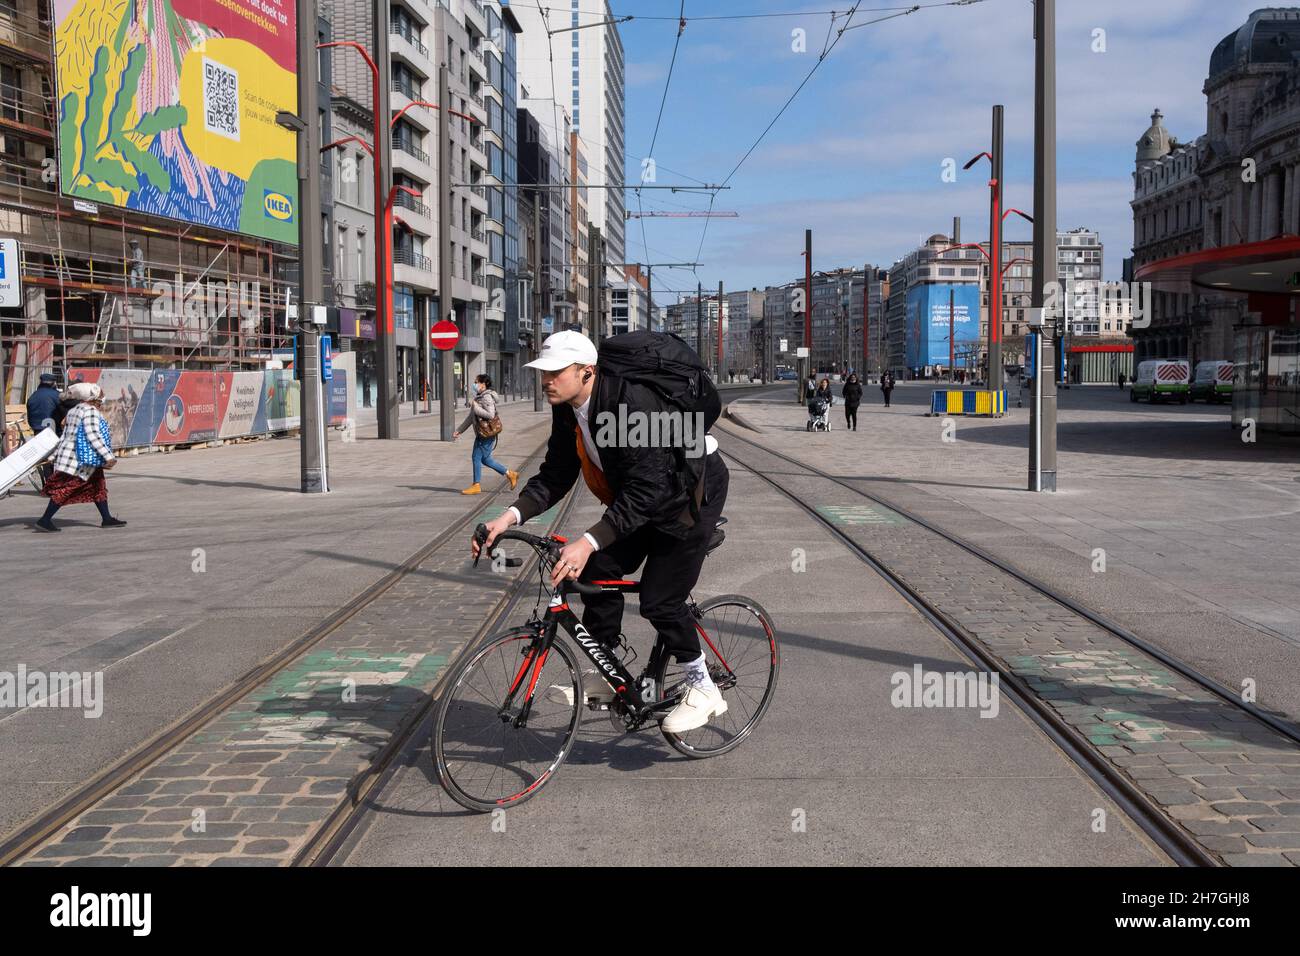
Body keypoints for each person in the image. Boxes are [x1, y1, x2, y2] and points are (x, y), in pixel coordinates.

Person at [473, 330, 730, 734]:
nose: (546, 380)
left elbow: (649, 490)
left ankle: (702, 686)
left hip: (690, 495)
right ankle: (608, 671)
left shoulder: (632, 406)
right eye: (544, 372)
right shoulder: (567, 407)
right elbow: (556, 474)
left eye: (556, 372)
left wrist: (588, 540)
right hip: (642, 495)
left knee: (660, 599)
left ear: (587, 371)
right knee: (593, 572)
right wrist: (506, 518)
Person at [35, 383, 126, 533]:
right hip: (80, 460)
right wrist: (108, 456)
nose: (103, 397)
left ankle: (107, 518)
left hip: (79, 457)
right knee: (69, 488)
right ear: (93, 398)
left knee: (98, 485)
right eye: (101, 395)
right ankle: (45, 519)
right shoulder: (90, 412)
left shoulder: (74, 410)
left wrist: (54, 454)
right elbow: (93, 436)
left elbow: (65, 434)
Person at [452, 374, 518, 495]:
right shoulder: (480, 397)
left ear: (483, 384)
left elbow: (490, 414)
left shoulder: (486, 397)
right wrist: (459, 430)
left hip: (486, 433)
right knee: (486, 460)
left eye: (476, 382)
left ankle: (476, 485)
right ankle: (510, 474)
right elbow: (471, 417)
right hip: (484, 433)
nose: (474, 384)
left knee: (476, 457)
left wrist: (475, 407)